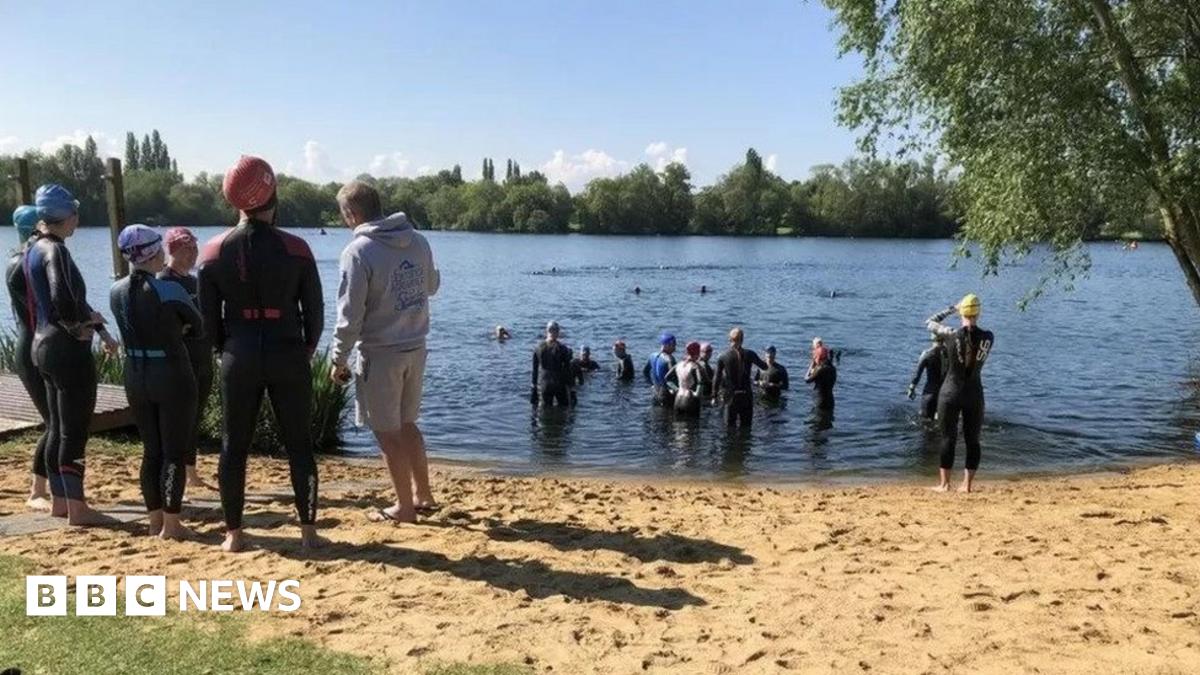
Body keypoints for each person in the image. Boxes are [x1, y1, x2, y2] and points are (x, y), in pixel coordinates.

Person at [198, 156, 324, 552]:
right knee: (299, 445)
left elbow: (208, 320)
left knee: (233, 445)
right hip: (287, 349)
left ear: (234, 201)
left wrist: (224, 348)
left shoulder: (213, 251)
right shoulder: (297, 248)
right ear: (273, 195)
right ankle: (308, 531)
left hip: (240, 352)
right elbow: (315, 313)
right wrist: (305, 349)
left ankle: (233, 534)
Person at [330, 181, 441, 524]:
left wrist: (338, 359)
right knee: (407, 424)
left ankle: (404, 508)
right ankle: (423, 495)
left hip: (380, 352)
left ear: (352, 213)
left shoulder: (358, 251)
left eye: (344, 215)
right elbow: (432, 286)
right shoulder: (418, 240)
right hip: (416, 347)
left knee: (386, 432)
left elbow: (350, 315)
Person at [25, 184, 118, 525]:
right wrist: (79, 325)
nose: (78, 219)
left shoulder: (33, 248)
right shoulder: (57, 251)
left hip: (41, 346)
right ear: (66, 216)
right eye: (75, 213)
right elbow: (63, 297)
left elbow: (61, 299)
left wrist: (95, 325)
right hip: (65, 351)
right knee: (74, 430)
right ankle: (78, 509)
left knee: (58, 427)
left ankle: (61, 503)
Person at [110, 225, 202, 539]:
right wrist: (179, 329)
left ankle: (154, 521)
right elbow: (199, 327)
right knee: (173, 452)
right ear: (154, 253)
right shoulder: (168, 289)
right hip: (171, 373)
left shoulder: (116, 290)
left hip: (135, 374)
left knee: (151, 451)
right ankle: (172, 525)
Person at [158, 227, 214, 491]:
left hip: (202, 359)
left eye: (194, 248)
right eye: (185, 249)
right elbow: (160, 322)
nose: (192, 254)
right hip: (178, 361)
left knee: (195, 417)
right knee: (178, 419)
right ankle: (174, 471)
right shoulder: (163, 281)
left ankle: (190, 471)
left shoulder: (195, 282)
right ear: (171, 250)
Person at [926, 294, 995, 493]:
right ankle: (967, 485)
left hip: (950, 392)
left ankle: (944, 484)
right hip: (974, 393)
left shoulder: (950, 334)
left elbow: (930, 322)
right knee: (973, 440)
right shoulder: (989, 337)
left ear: (962, 313)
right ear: (978, 313)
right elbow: (973, 337)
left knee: (948, 438)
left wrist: (952, 309)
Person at [7, 205, 50, 510]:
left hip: (40, 344)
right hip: (32, 348)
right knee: (54, 421)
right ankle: (37, 491)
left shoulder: (31, 258)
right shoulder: (21, 263)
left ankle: (51, 485)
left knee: (57, 421)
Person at [712, 328, 768, 429]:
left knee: (729, 428)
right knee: (746, 427)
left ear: (730, 339)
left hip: (731, 396)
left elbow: (717, 378)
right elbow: (764, 367)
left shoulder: (723, 356)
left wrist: (714, 396)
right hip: (746, 396)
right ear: (742, 339)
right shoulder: (750, 354)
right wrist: (765, 359)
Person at [531, 321, 575, 407]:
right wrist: (572, 389)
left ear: (546, 332)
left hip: (545, 383)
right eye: (554, 331)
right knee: (564, 409)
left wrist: (533, 387)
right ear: (558, 333)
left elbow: (535, 370)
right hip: (559, 383)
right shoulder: (562, 348)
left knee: (545, 410)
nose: (554, 333)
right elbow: (568, 370)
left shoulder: (538, 347)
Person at [908, 333, 947, 421]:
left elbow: (917, 374)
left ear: (932, 338)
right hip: (946, 394)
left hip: (930, 393)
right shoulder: (950, 354)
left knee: (926, 423)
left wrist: (911, 388)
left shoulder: (927, 354)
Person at [671, 341, 704, 417]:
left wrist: (675, 388)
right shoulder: (695, 366)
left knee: (677, 422)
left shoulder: (678, 364)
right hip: (689, 399)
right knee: (692, 423)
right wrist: (697, 394)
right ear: (697, 353)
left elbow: (667, 378)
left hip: (678, 398)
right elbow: (700, 381)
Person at [647, 333, 678, 407]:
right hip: (666, 394)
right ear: (667, 345)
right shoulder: (670, 360)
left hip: (655, 391)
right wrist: (677, 390)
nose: (675, 347)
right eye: (674, 345)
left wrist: (651, 383)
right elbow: (672, 379)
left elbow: (645, 372)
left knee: (655, 413)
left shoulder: (652, 355)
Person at [805, 345, 837, 412]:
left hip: (820, 401)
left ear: (818, 356)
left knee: (817, 417)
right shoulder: (832, 368)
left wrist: (811, 366)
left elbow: (807, 379)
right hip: (830, 401)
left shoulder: (820, 369)